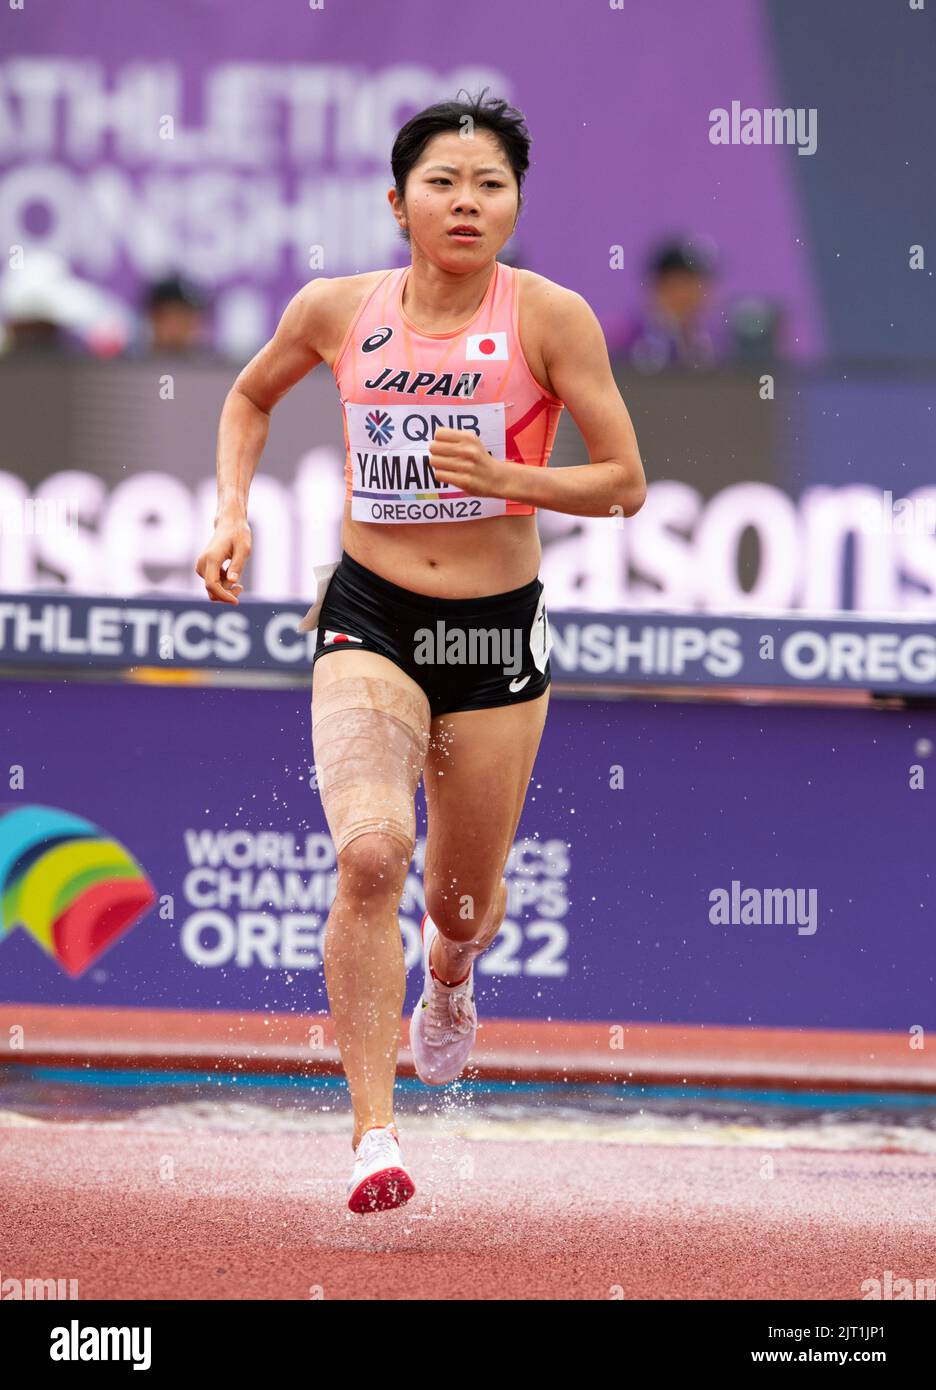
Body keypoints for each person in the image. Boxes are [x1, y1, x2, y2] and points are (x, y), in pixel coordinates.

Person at [195, 89, 646, 1214]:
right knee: (369, 852)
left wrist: (514, 480)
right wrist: (230, 512)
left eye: (490, 184)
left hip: (493, 636)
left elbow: (624, 482)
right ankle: (373, 1135)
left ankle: (448, 981)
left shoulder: (550, 318)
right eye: (443, 183)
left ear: (515, 206)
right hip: (372, 614)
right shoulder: (338, 307)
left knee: (457, 904)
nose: (467, 201)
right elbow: (249, 398)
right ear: (397, 203)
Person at [620, 238, 717, 371]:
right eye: (683, 283)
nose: (693, 293)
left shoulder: (712, 345)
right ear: (659, 286)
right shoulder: (625, 337)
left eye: (699, 283)